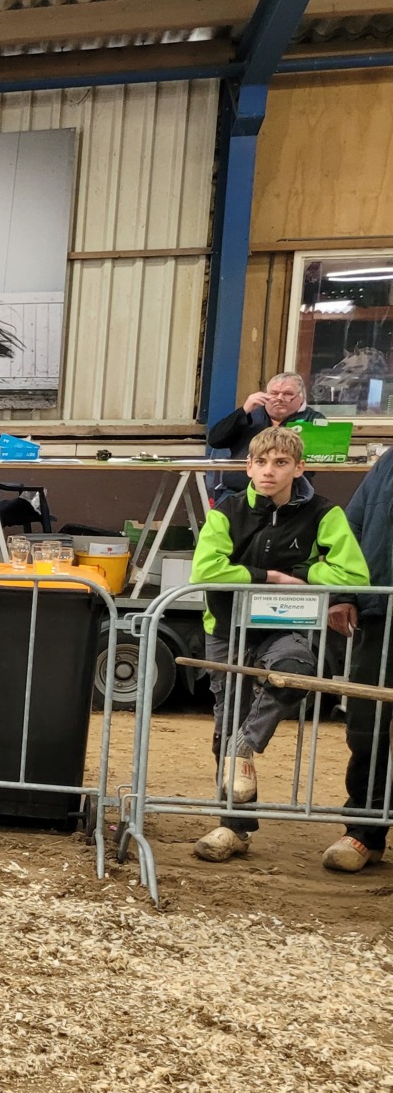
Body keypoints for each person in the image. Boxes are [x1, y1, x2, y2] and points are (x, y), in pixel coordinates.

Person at [190, 428, 368, 864]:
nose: (270, 472)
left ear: (299, 467)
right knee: (225, 716)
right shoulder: (225, 511)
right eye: (262, 463)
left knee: (295, 668)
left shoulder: (326, 514)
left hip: (286, 624)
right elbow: (207, 569)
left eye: (281, 463)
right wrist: (268, 576)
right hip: (227, 627)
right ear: (249, 467)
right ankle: (234, 826)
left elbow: (354, 576)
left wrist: (306, 574)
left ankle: (245, 746)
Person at [328, 444, 393, 872]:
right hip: (380, 614)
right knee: (368, 725)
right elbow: (350, 530)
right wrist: (344, 593)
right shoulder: (387, 463)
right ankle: (364, 831)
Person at [207, 373, 324, 466]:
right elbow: (215, 440)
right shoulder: (250, 415)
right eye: (274, 393)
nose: (279, 398)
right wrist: (243, 410)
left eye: (287, 394)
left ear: (301, 397)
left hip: (292, 489)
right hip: (240, 488)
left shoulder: (313, 419)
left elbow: (325, 453)